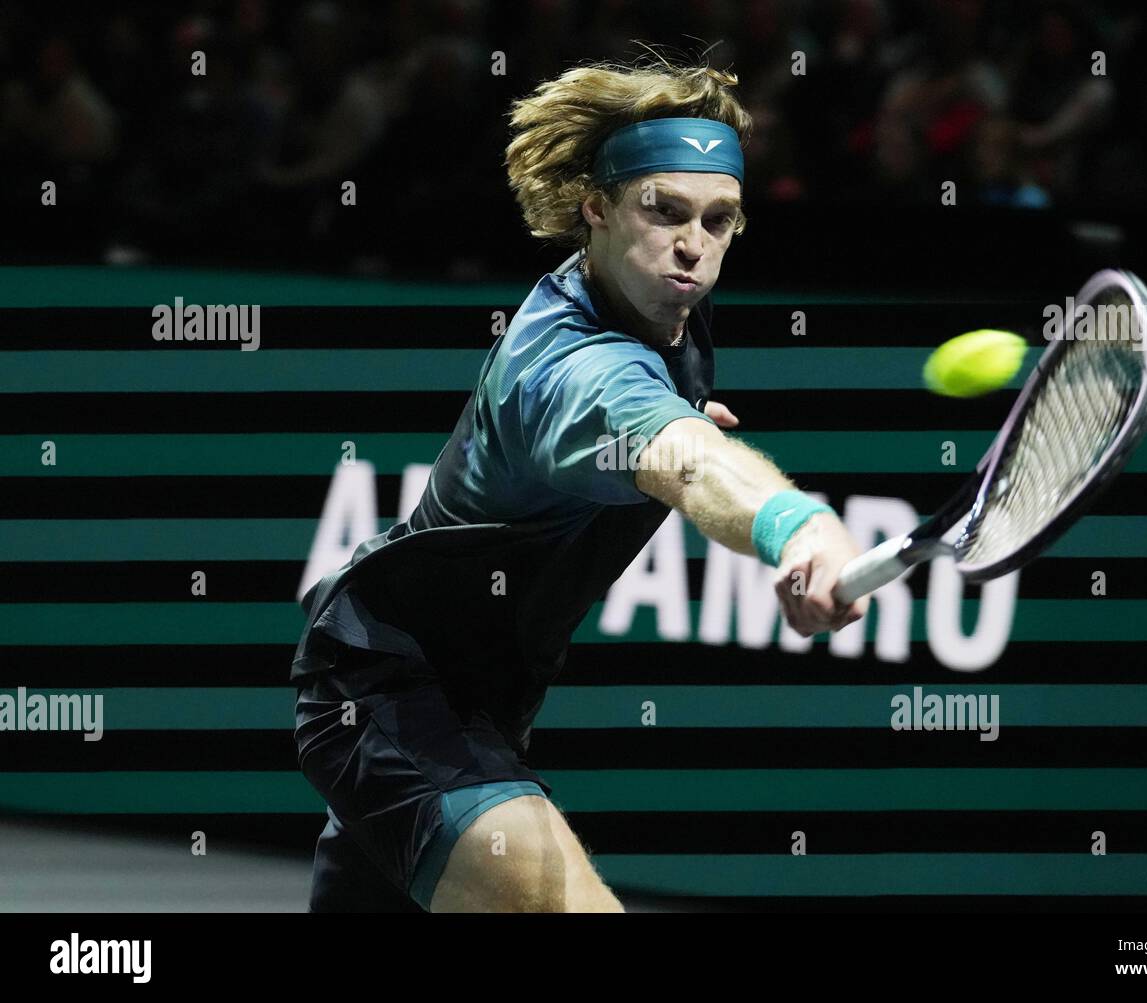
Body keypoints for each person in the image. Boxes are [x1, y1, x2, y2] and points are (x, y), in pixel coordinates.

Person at [291, 56, 868, 913]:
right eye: (663, 211)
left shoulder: (656, 296)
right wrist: (798, 526)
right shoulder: (569, 367)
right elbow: (682, 457)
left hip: (474, 708)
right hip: (395, 695)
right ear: (594, 210)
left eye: (720, 221)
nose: (692, 246)